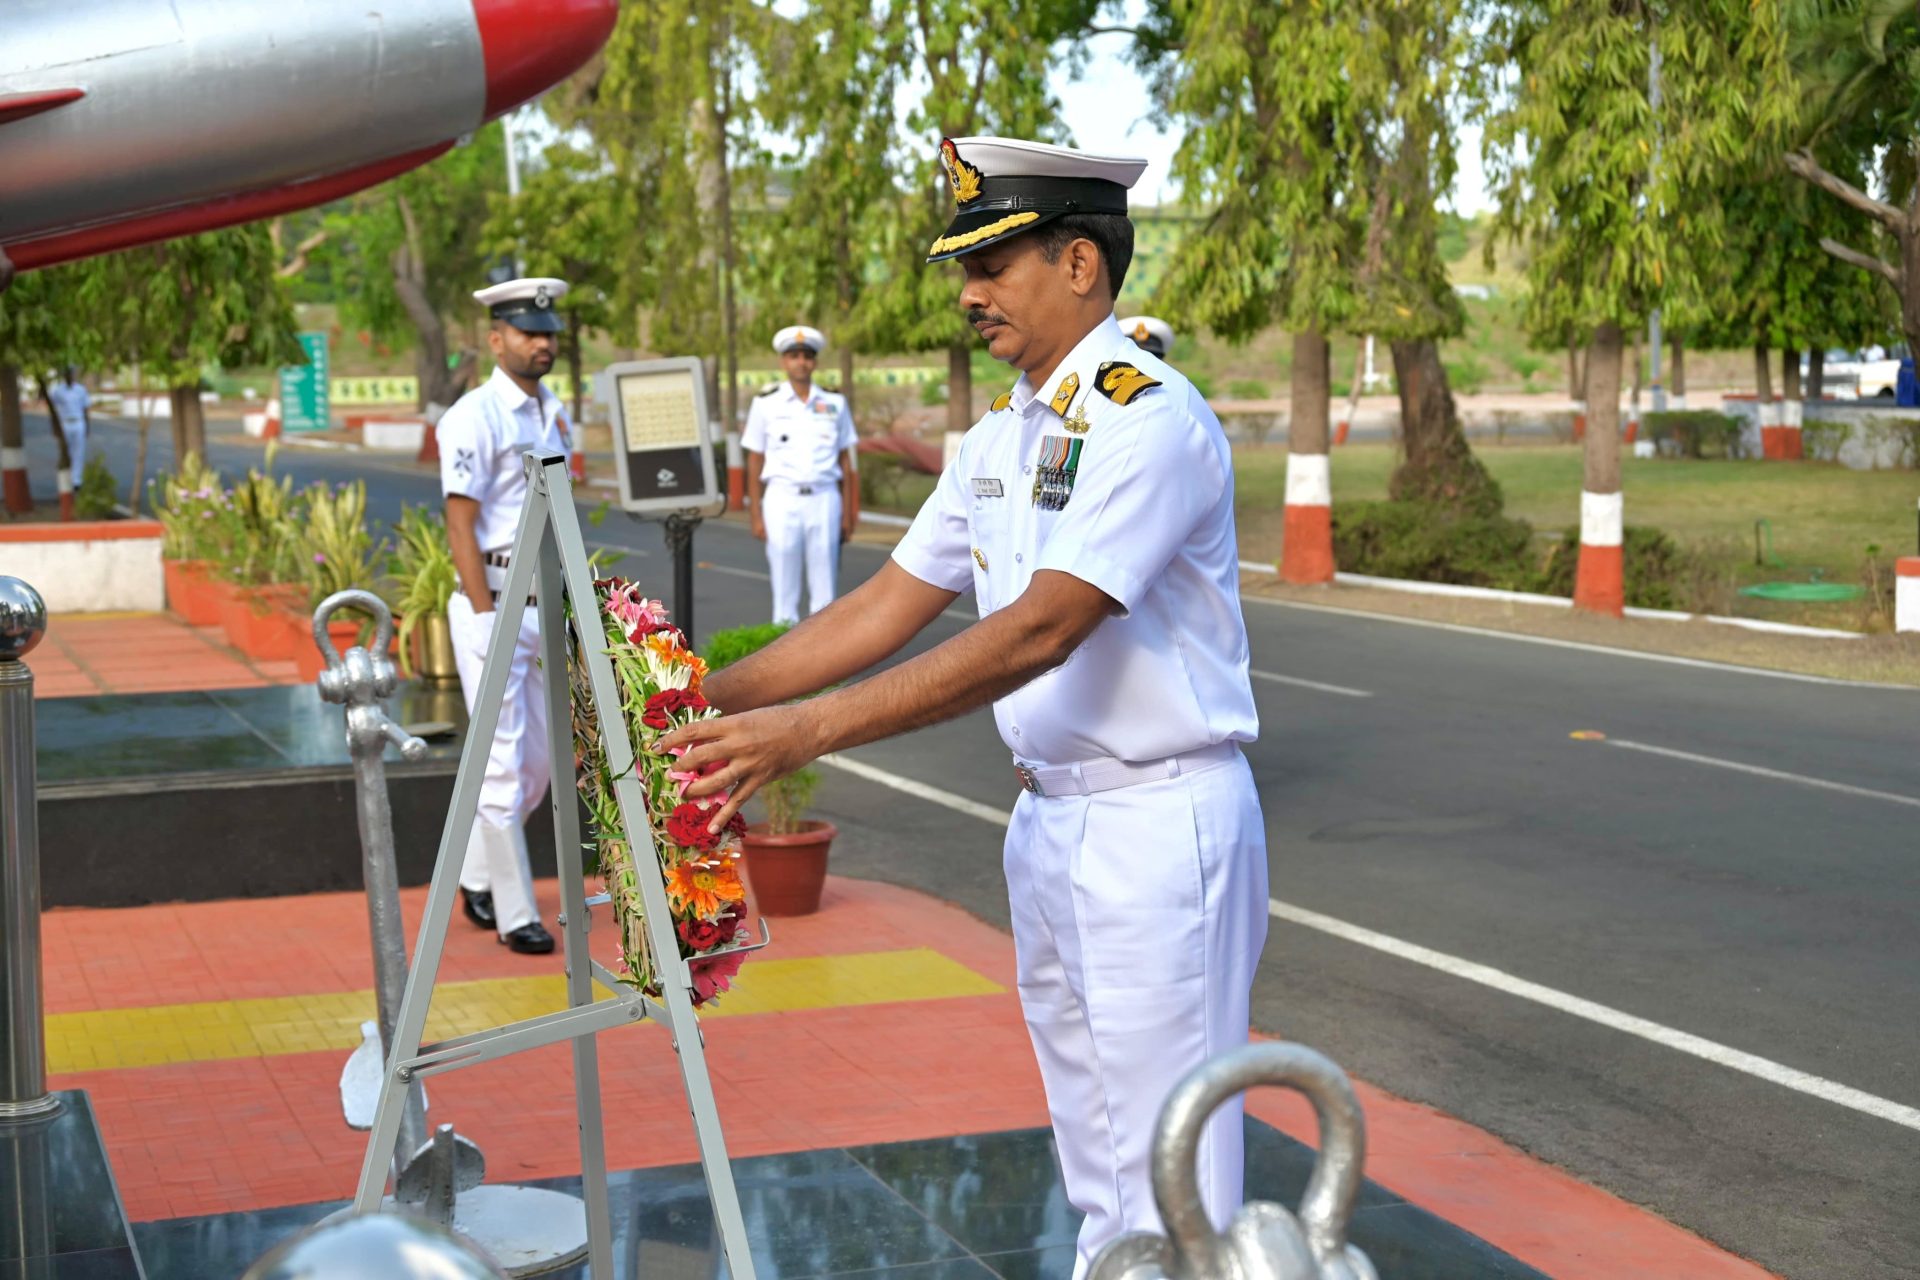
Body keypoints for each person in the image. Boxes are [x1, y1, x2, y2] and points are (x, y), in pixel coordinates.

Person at [661, 136, 1267, 1275]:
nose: (969, 293)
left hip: (1157, 821)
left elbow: (1041, 626)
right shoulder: (1003, 435)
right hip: (1052, 820)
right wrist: (690, 699)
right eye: (964, 268)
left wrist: (806, 732)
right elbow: (885, 604)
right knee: (1097, 1154)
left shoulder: (1147, 420)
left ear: (1081, 263)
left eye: (995, 264)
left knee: (1175, 1171)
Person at [436, 276, 578, 956]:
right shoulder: (472, 416)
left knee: (539, 767)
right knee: (499, 765)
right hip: (490, 601)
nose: (542, 342)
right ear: (497, 341)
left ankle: (472, 876)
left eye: (548, 332)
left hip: (540, 602)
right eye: (528, 332)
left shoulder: (553, 413)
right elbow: (460, 523)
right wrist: (487, 613)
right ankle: (517, 911)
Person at [741, 325, 858, 624]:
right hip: (782, 498)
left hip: (824, 497)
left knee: (825, 587)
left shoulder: (834, 403)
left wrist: (848, 513)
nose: (801, 362)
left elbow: (846, 461)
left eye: (807, 356)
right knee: (784, 585)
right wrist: (755, 513)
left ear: (815, 362)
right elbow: (755, 459)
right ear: (783, 362)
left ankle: (825, 660)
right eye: (793, 356)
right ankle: (784, 654)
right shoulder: (766, 404)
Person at [45, 366, 91, 479]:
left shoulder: (80, 390)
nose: (69, 376)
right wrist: (54, 427)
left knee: (78, 452)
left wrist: (87, 427)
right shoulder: (58, 391)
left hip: (78, 422)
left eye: (71, 374)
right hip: (65, 423)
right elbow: (53, 410)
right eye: (67, 374)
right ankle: (66, 477)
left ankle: (76, 480)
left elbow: (85, 409)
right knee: (66, 451)